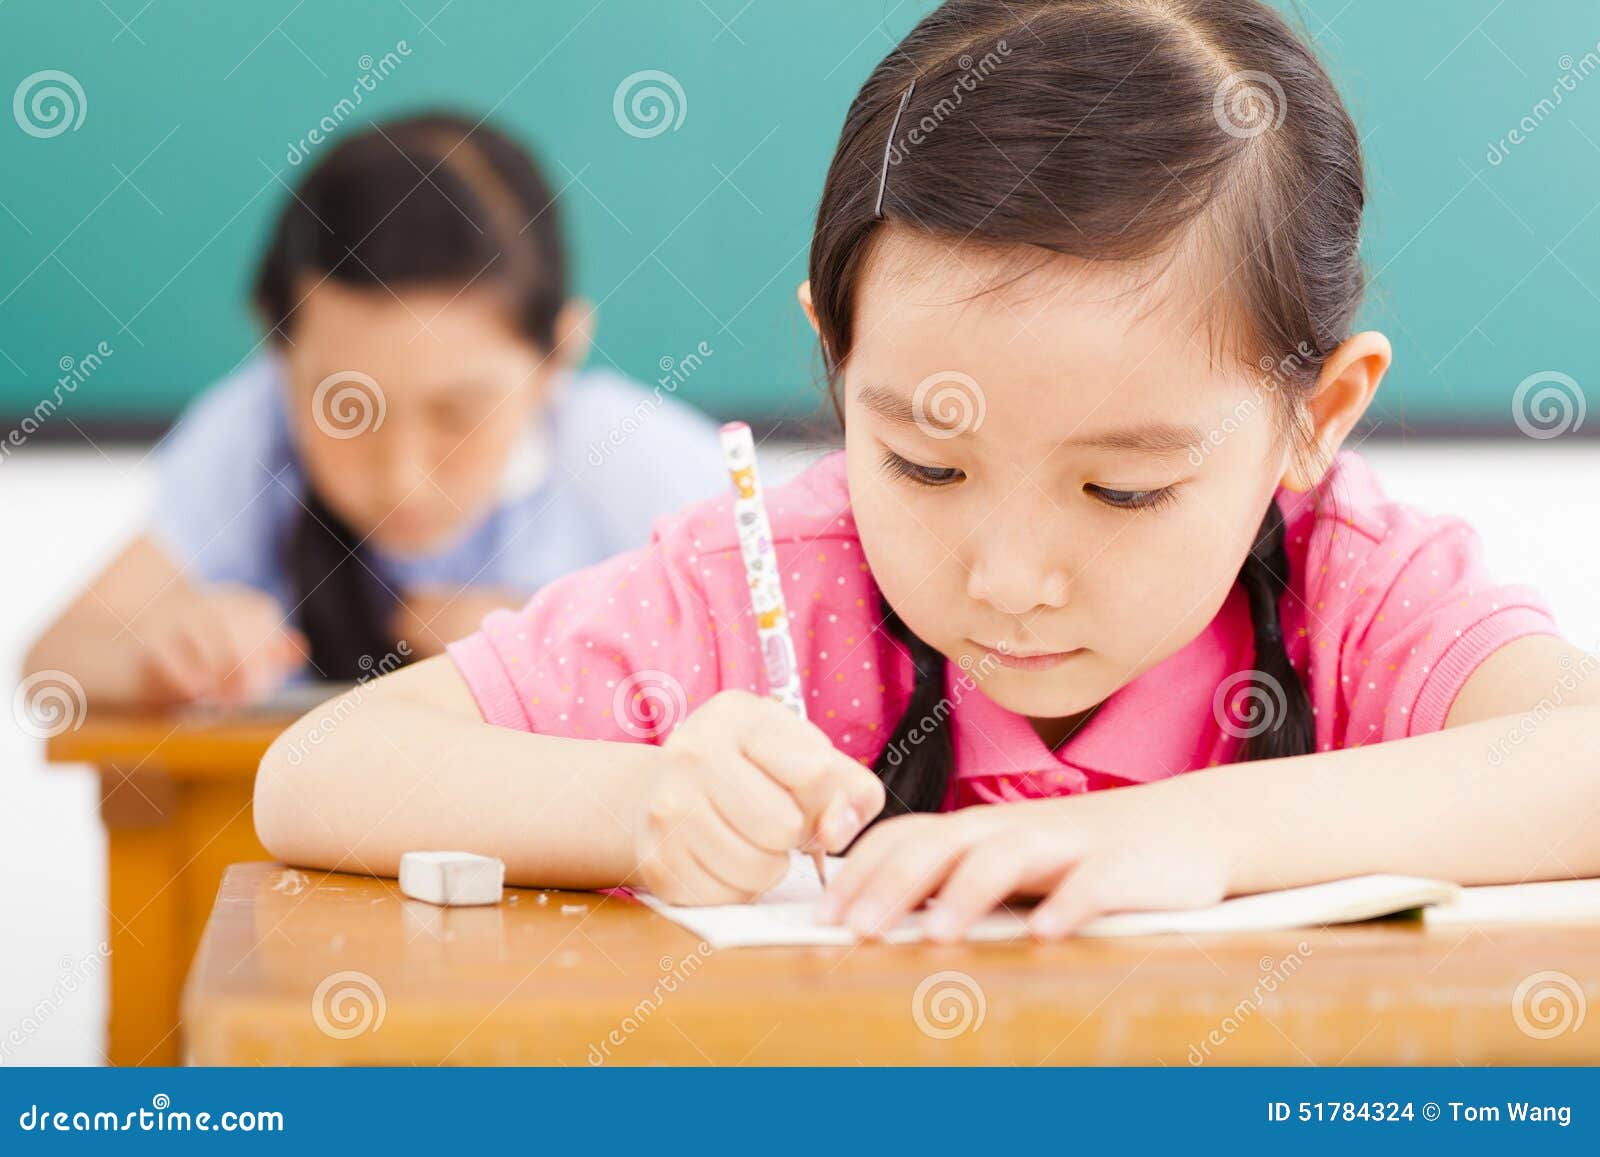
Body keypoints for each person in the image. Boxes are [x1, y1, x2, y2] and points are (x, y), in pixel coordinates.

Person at [254, 2, 1599, 941]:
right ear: (837, 359)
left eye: (1123, 489)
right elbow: (318, 773)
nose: (1007, 580)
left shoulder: (1353, 590)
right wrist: (636, 805)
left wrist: (1203, 833)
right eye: (924, 463)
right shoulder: (769, 585)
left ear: (1321, 412)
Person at [24, 112, 726, 705]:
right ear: (277, 348)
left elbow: (797, 666)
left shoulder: (629, 457)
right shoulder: (251, 436)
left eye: (458, 412)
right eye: (347, 409)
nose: (404, 477)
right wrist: (164, 652)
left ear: (557, 359)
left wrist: (565, 656)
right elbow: (54, 662)